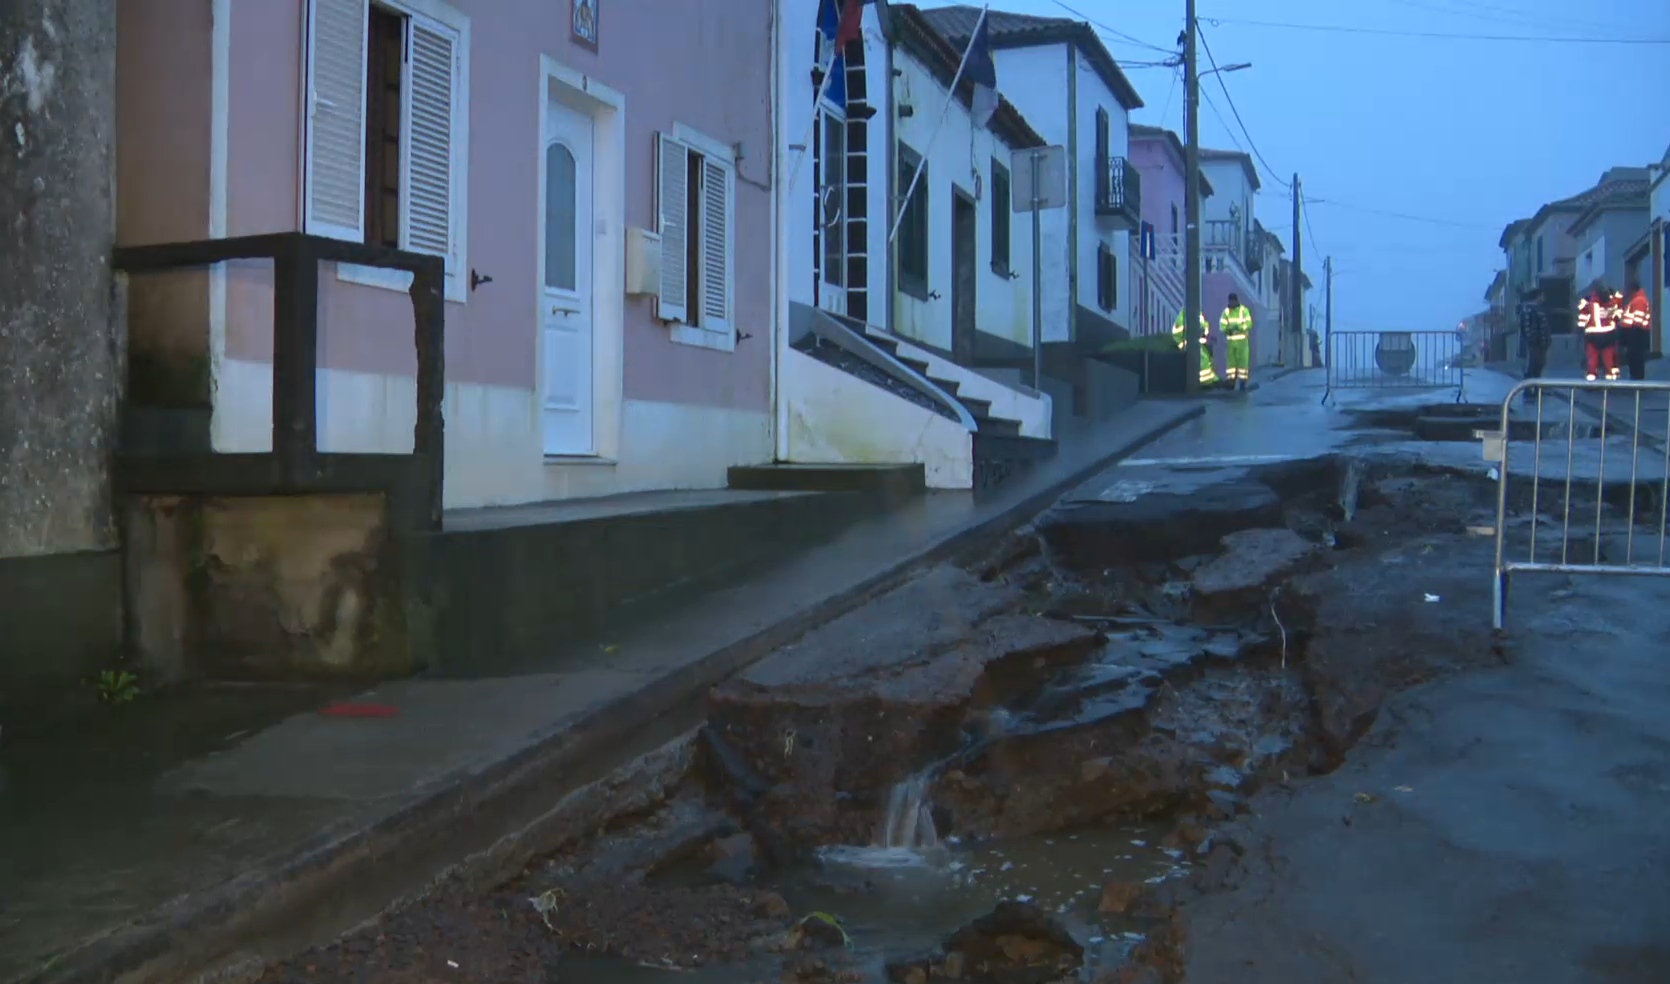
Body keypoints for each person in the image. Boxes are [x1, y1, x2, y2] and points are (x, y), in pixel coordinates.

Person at [1578, 281, 1619, 382]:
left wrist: (1580, 329)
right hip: (1609, 333)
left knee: (1592, 356)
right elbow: (1617, 315)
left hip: (1592, 334)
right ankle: (1609, 377)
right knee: (1608, 357)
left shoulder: (1588, 301)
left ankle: (1591, 376)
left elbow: (1583, 316)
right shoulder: (1613, 301)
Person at [1173, 308, 1216, 387]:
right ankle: (1205, 382)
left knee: (1207, 357)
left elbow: (1204, 326)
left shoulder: (1198, 315)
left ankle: (1212, 380)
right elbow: (1177, 335)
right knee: (1202, 358)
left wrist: (1203, 333)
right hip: (1187, 343)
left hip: (1196, 342)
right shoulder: (1182, 319)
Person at [1620, 276, 1651, 381]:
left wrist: (1631, 335)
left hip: (1636, 334)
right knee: (1633, 358)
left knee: (1636, 358)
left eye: (1628, 288)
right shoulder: (1635, 300)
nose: (1626, 291)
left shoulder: (1639, 301)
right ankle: (1635, 378)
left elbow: (1638, 320)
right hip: (1634, 334)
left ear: (1632, 289)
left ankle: (1637, 380)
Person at [1220, 294, 1253, 390]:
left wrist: (1238, 327)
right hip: (1230, 343)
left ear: (1236, 301)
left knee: (1242, 362)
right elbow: (1222, 326)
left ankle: (1242, 383)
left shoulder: (1243, 311)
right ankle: (1231, 383)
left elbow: (1249, 324)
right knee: (1231, 364)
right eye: (1230, 301)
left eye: (1233, 301)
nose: (1231, 303)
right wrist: (1227, 330)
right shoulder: (1226, 312)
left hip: (1242, 343)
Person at [1519, 286, 1550, 381]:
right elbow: (1526, 326)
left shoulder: (1539, 309)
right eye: (1542, 295)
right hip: (1534, 343)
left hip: (1541, 343)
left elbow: (1544, 326)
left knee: (1539, 365)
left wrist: (1546, 340)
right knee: (1532, 364)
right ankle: (1529, 385)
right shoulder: (1528, 309)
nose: (1544, 298)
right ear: (1538, 296)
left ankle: (1536, 385)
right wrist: (1531, 340)